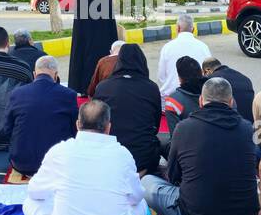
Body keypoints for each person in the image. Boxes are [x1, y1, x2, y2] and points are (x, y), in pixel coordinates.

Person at [23, 100, 149, 215]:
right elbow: (136, 197)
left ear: (78, 124)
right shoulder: (122, 154)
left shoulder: (60, 152)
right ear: (108, 127)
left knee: (31, 201)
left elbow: (35, 192)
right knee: (140, 203)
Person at [142, 77, 259, 215]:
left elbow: (174, 176)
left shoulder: (185, 128)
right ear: (232, 102)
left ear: (201, 101)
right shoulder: (248, 128)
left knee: (146, 182)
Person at [93, 42, 162, 174]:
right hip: (144, 159)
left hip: (110, 157)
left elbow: (97, 124)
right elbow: (155, 125)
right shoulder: (151, 88)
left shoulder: (103, 87)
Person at [5, 55, 77, 177]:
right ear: (56, 75)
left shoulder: (17, 93)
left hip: (22, 163)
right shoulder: (68, 95)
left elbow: (7, 129)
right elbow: (74, 129)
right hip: (58, 163)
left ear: (34, 74)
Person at [157, 15, 210, 97]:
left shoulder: (167, 47)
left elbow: (161, 77)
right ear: (193, 29)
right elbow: (208, 73)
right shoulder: (203, 47)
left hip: (170, 96)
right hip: (197, 96)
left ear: (178, 28)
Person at [162, 56, 204, 147]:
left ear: (180, 78)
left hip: (189, 152)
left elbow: (175, 138)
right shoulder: (214, 92)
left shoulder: (173, 101)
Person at [202, 57, 256, 122]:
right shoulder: (244, 78)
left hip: (230, 122)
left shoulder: (212, 82)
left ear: (207, 71)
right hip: (249, 121)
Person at [86, 27, 128, 96]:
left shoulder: (103, 62)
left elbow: (94, 85)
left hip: (108, 96)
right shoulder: (133, 60)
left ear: (110, 52)